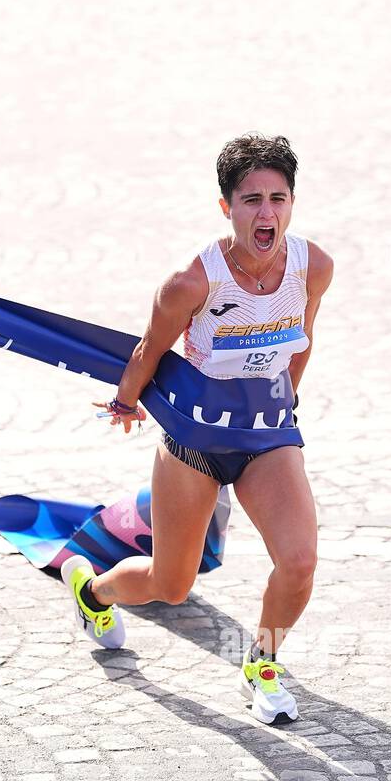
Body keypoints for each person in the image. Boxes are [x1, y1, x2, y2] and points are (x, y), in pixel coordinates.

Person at [60, 133, 333, 724]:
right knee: (170, 583)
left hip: (267, 436)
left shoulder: (314, 266)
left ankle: (261, 663)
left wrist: (288, 404)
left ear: (293, 201)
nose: (267, 213)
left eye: (278, 198)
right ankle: (92, 592)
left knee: (300, 561)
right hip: (195, 445)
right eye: (252, 200)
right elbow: (148, 349)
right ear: (226, 208)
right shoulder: (192, 282)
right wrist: (127, 403)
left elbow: (301, 340)